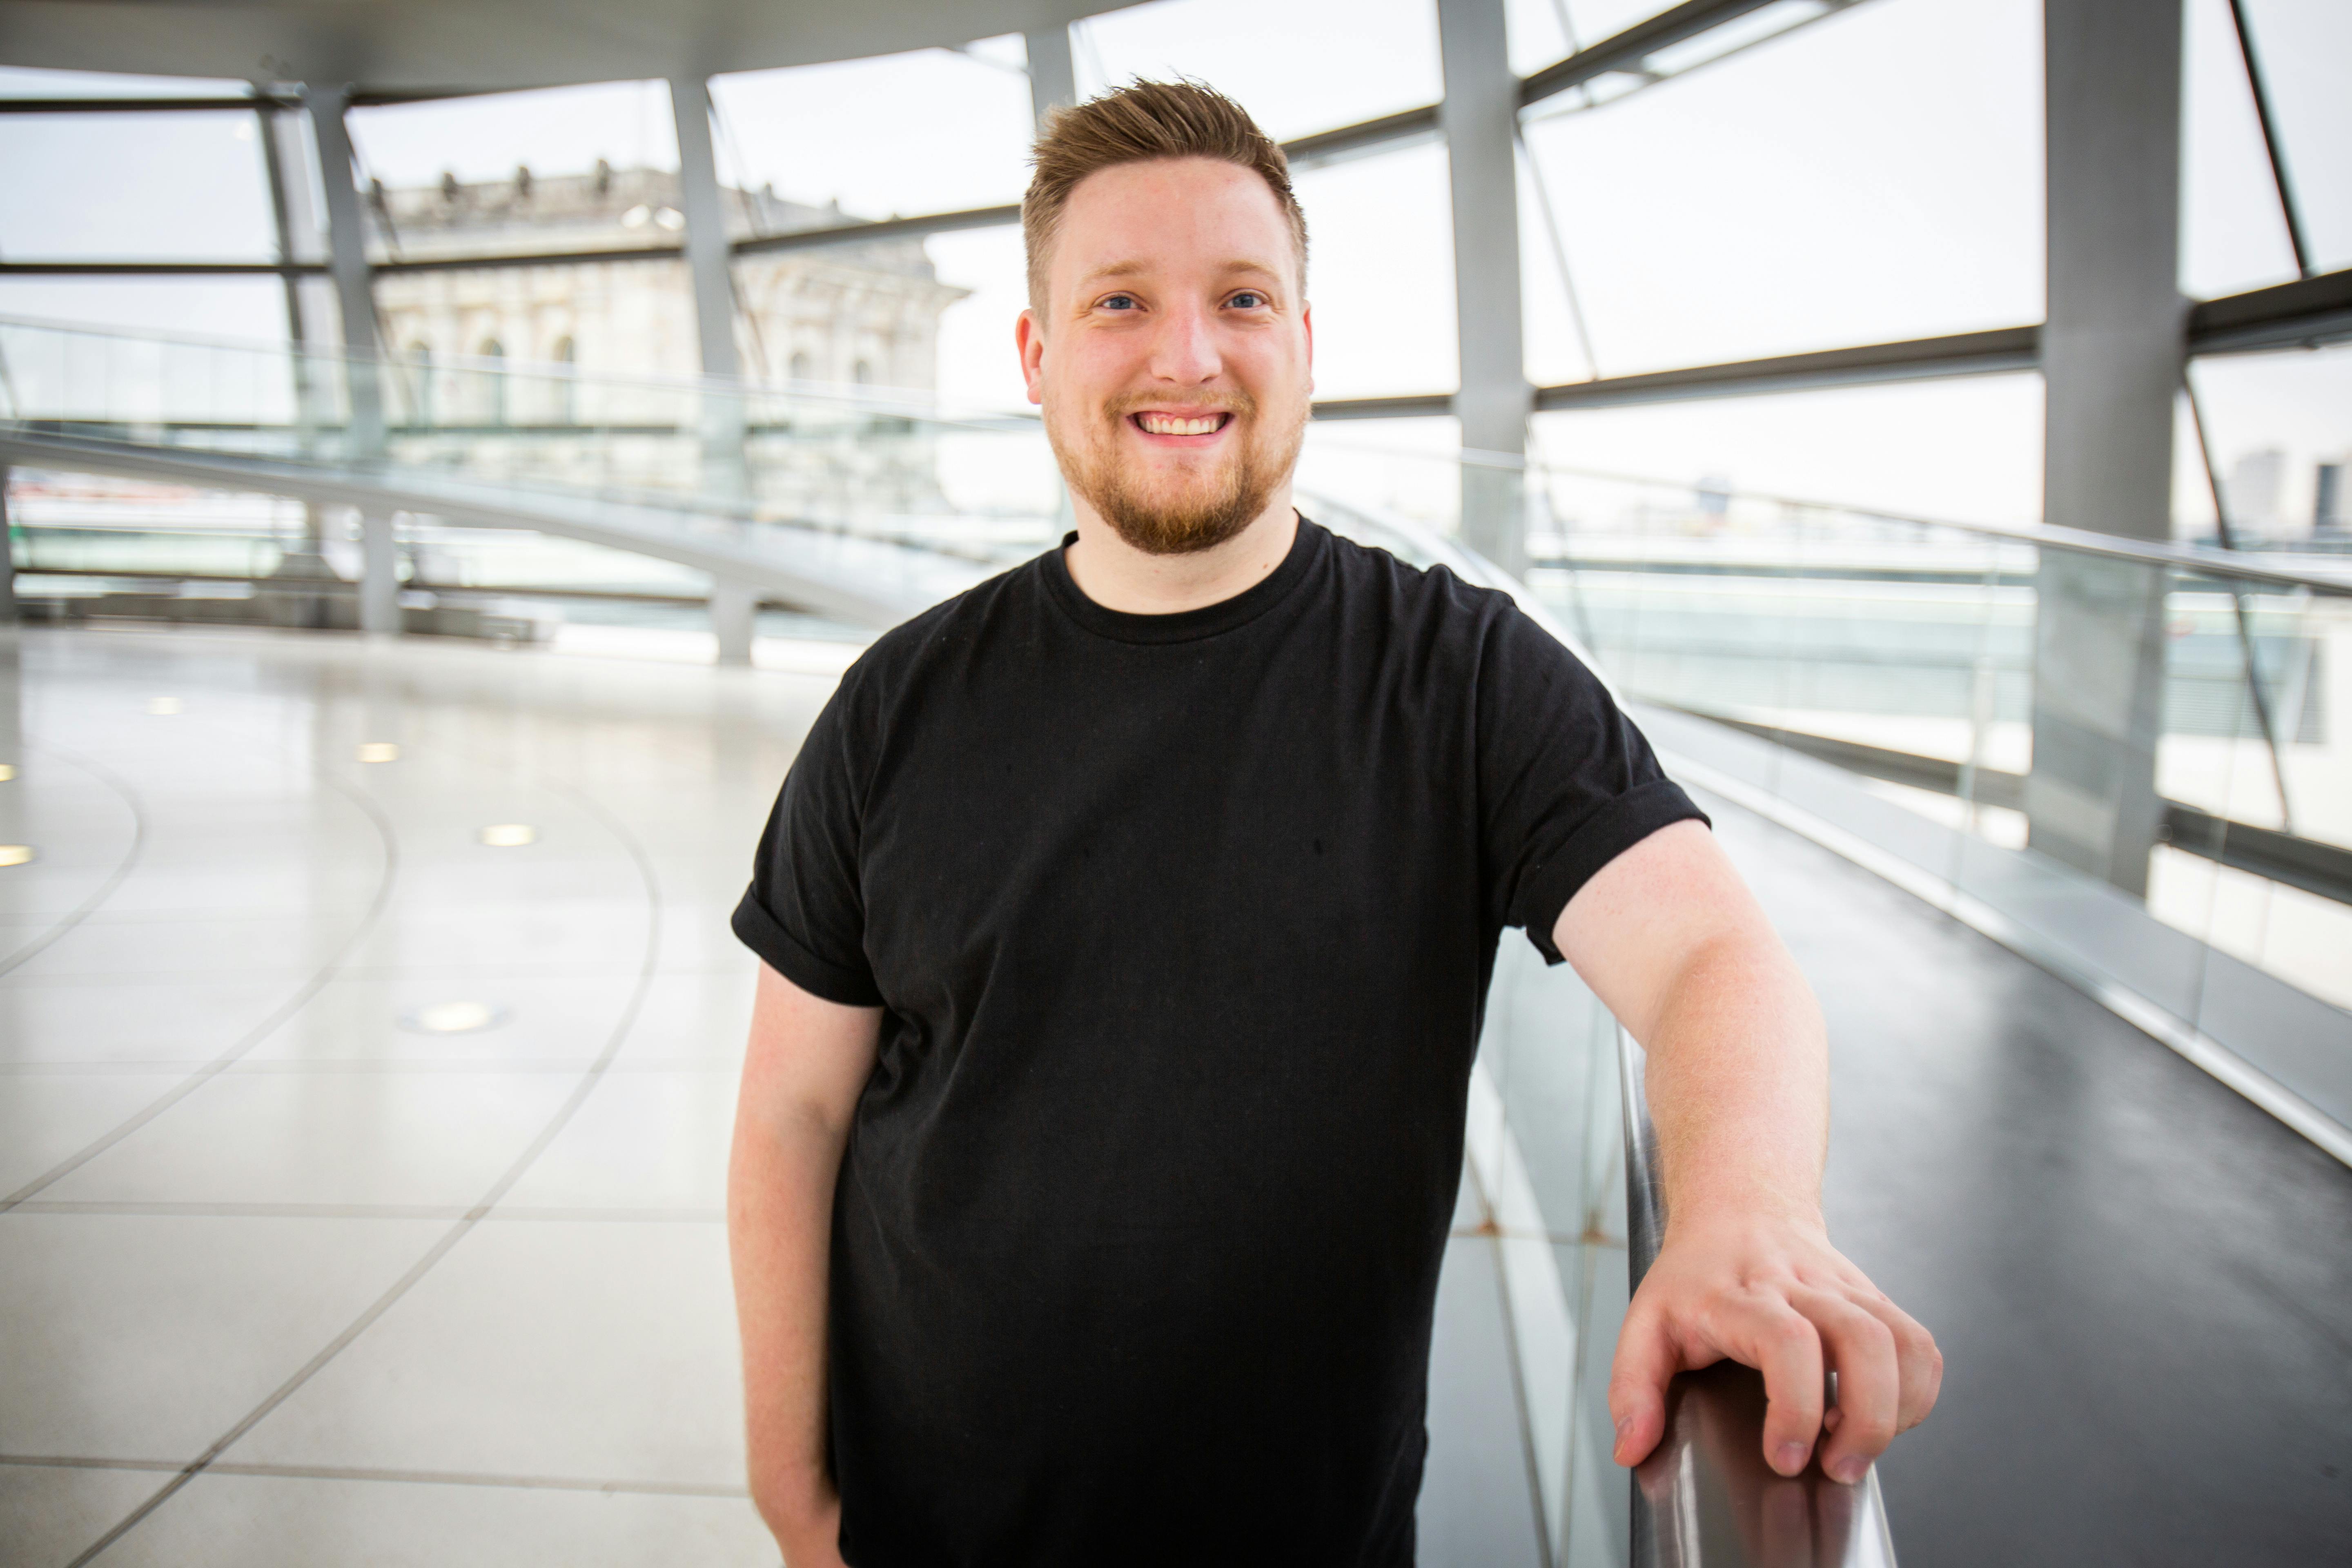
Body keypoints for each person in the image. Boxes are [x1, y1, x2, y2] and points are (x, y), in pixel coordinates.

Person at [727, 80, 1940, 1568]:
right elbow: (792, 1114)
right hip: (929, 1529)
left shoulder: (1466, 681)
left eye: (1242, 298)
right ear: (1037, 356)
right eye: (1120, 301)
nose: (1188, 353)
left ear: (1304, 343)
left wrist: (1744, 1212)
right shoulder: (894, 705)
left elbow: (1710, 955)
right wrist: (793, 1494)